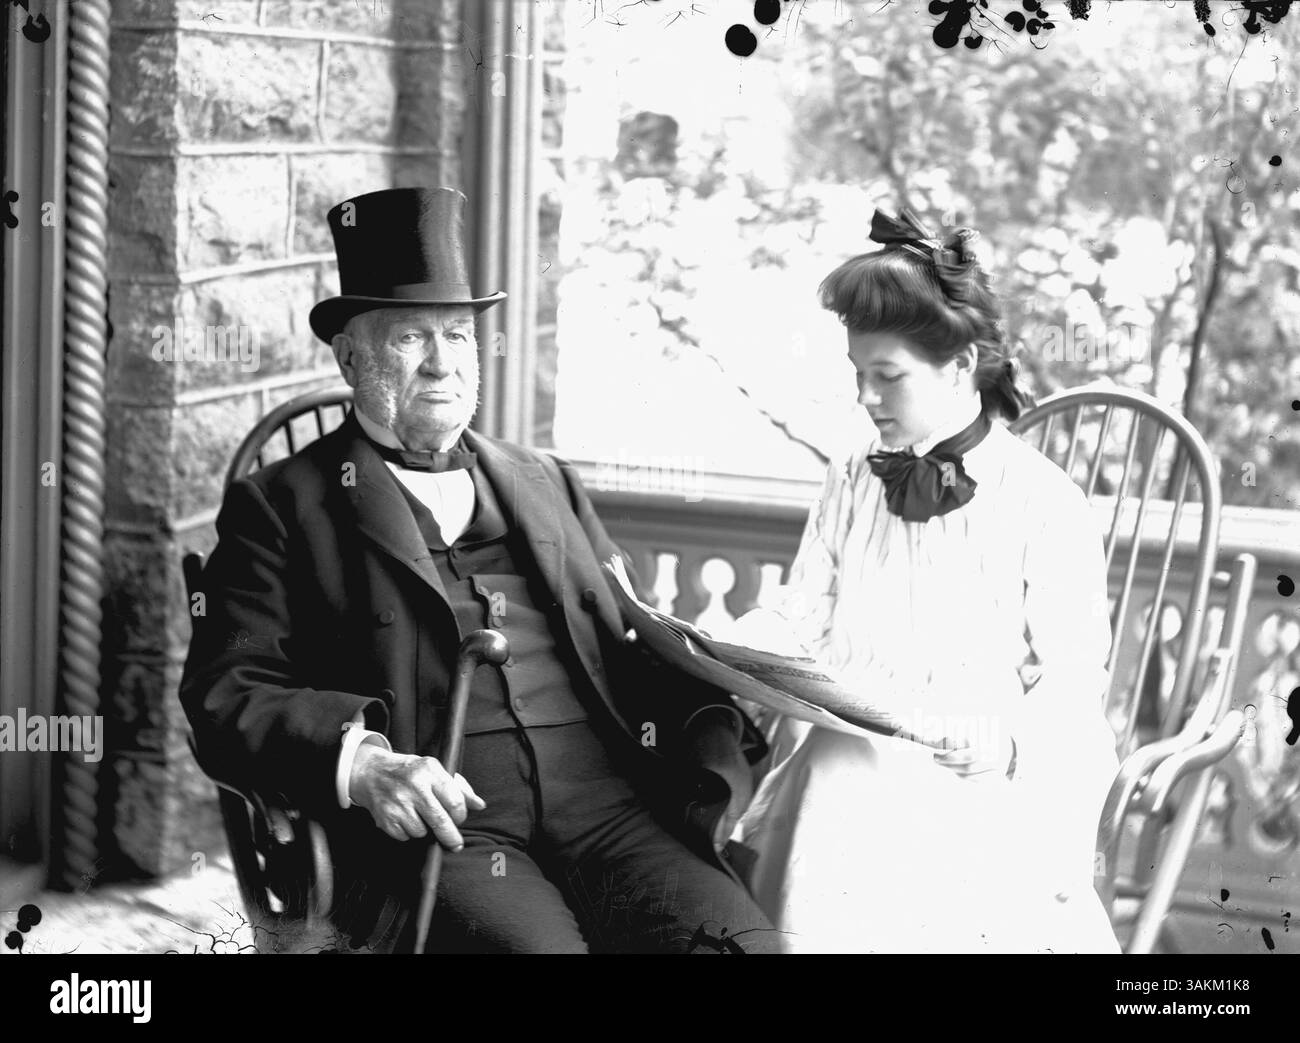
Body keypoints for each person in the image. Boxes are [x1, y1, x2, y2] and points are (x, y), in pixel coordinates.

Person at [180, 187, 778, 954]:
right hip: (445, 829)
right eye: (409, 338)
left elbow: (633, 636)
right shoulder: (280, 505)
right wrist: (363, 764)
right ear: (350, 355)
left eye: (458, 335)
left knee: (746, 947)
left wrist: (718, 717)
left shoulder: (543, 479)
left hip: (611, 811)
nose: (441, 363)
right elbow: (227, 691)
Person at [728, 208, 1122, 953]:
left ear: (962, 365)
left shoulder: (1043, 500)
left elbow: (1075, 677)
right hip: (851, 748)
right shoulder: (850, 477)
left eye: (888, 378)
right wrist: (732, 647)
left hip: (973, 767)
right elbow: (801, 615)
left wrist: (1008, 741)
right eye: (858, 377)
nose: (867, 400)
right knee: (838, 776)